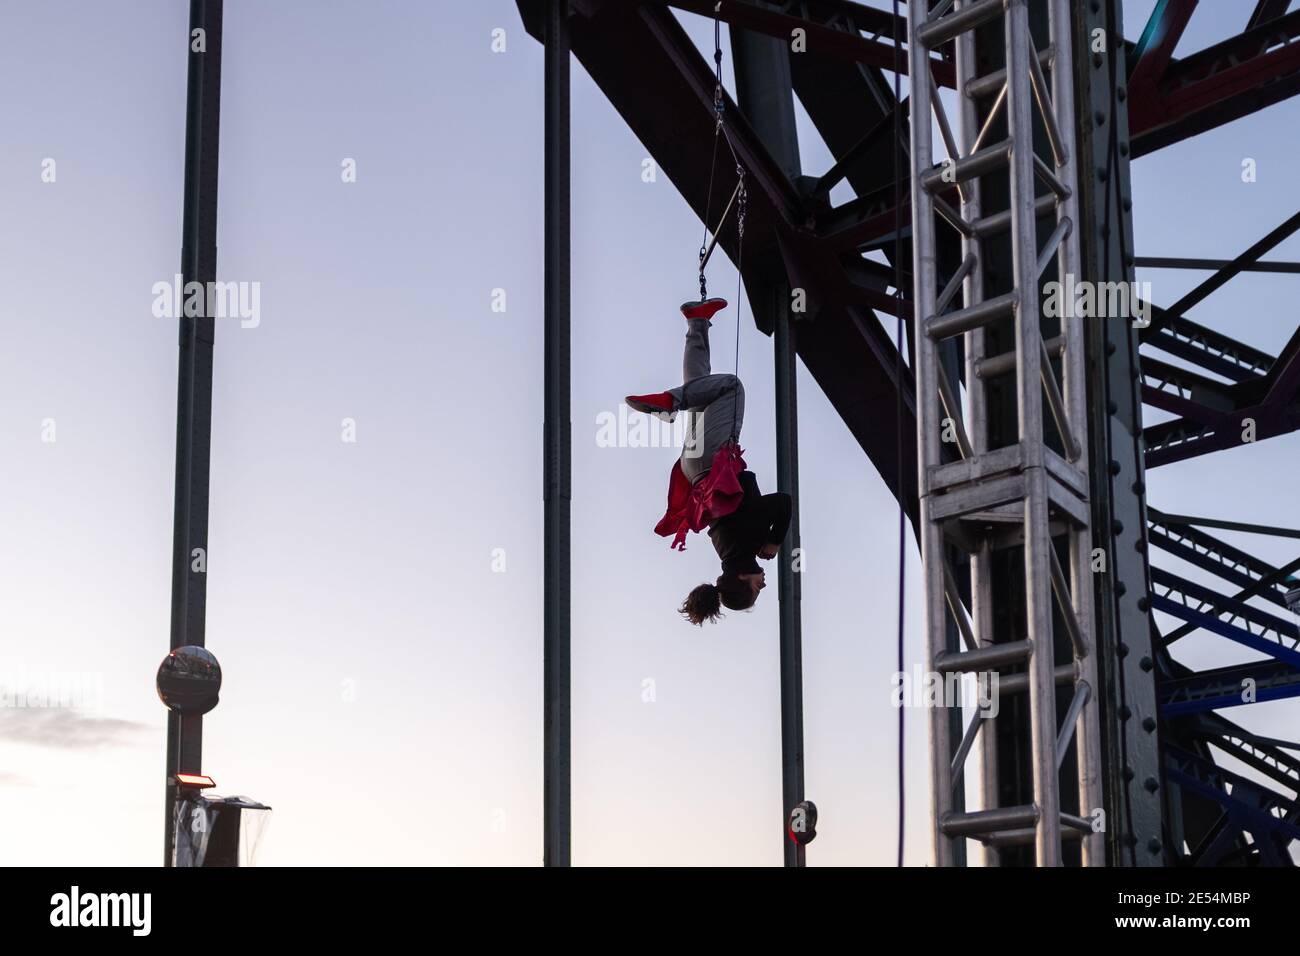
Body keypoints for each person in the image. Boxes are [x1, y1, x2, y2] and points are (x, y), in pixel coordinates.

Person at [626, 298, 793, 625]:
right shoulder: (728, 552)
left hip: (712, 460)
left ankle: (668, 403)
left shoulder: (747, 544)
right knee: (700, 391)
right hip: (694, 469)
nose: (763, 585)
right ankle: (697, 323)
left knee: (731, 387)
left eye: (756, 590)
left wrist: (774, 542)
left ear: (742, 580)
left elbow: (784, 502)